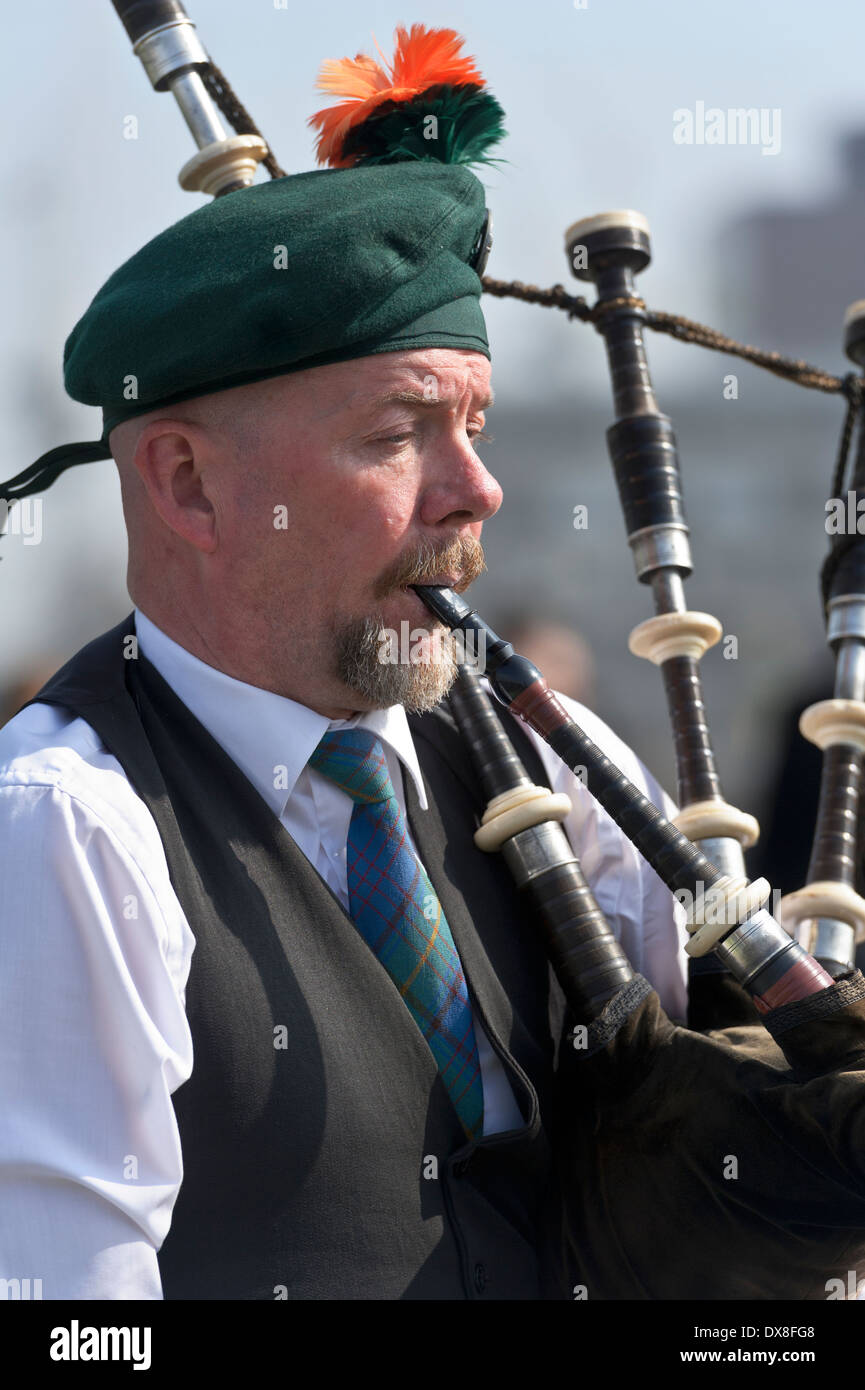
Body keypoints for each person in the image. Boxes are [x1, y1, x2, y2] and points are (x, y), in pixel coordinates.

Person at [0, 24, 687, 1300]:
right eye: (398, 432)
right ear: (191, 484)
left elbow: (725, 1060)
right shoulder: (66, 832)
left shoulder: (549, 765)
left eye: (472, 424)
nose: (475, 488)